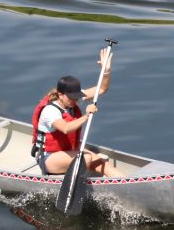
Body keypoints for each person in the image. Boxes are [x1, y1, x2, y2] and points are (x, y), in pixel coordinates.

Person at [32, 47, 122, 178]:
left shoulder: (72, 100)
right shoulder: (50, 110)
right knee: (85, 158)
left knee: (102, 164)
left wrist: (106, 71)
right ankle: (78, 184)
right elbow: (65, 128)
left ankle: (132, 187)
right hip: (48, 158)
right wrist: (87, 116)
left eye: (76, 96)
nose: (75, 100)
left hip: (68, 151)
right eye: (71, 97)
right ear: (60, 95)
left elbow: (101, 89)